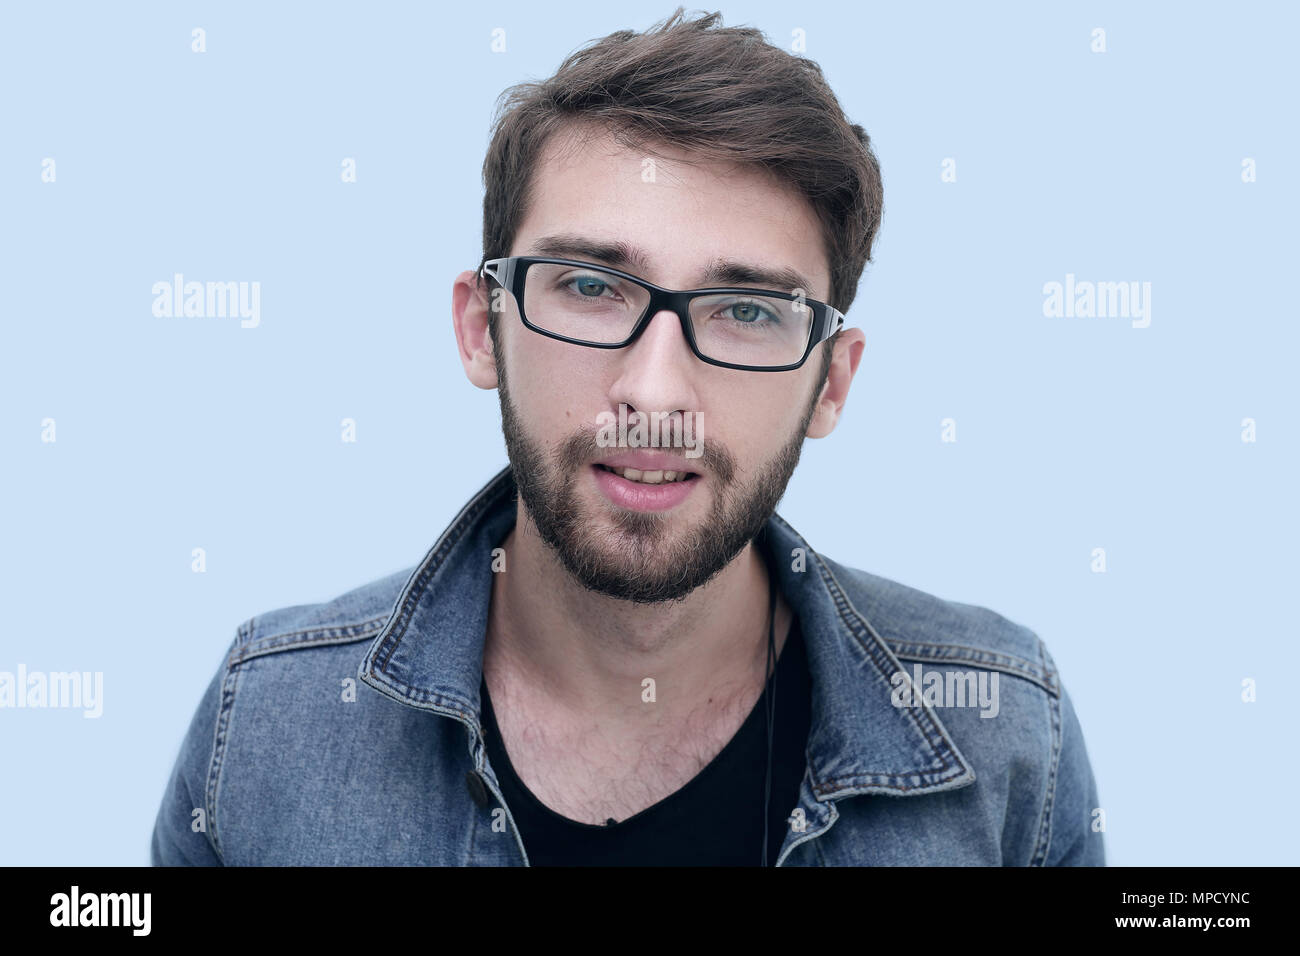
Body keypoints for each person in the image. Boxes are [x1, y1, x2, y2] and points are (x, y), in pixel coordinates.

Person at [151, 8, 1103, 866]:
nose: (655, 391)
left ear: (830, 383)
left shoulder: (1006, 734)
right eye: (592, 289)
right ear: (483, 328)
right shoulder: (267, 726)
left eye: (744, 310)